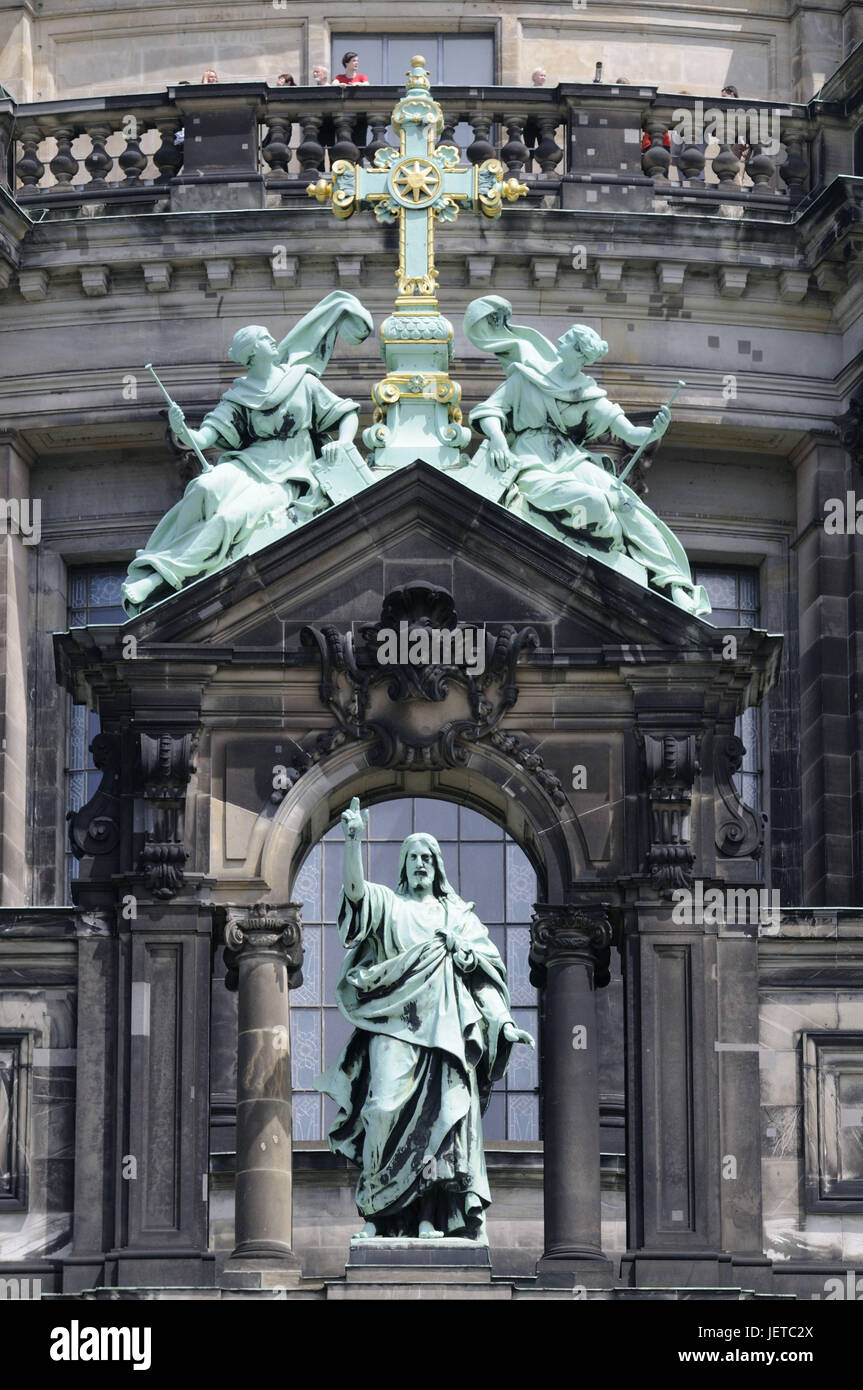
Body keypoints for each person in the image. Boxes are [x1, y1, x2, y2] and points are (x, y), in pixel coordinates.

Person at [316, 798, 534, 1241]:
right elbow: (356, 896)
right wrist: (353, 840)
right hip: (392, 1026)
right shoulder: (389, 905)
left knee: (440, 1122)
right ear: (404, 865)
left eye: (426, 858)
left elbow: (484, 980)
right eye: (412, 857)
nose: (420, 864)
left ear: (437, 867)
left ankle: (428, 1217)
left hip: (447, 1034)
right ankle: (378, 1214)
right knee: (381, 1110)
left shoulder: (458, 917)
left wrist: (502, 1022)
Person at [122, 292, 373, 616]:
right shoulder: (238, 398)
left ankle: (160, 577)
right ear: (253, 353)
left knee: (230, 518)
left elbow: (344, 414)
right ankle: (172, 561)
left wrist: (344, 442)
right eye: (267, 339)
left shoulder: (302, 382)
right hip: (251, 464)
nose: (274, 341)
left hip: (292, 475)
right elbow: (204, 437)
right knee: (202, 488)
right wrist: (182, 429)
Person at [463, 296, 710, 617]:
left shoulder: (590, 398)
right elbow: (492, 410)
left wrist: (655, 430)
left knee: (626, 503)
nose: (557, 341)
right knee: (592, 500)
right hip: (530, 463)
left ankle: (675, 583)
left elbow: (631, 434)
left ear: (577, 354)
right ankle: (604, 543)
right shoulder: (528, 376)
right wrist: (497, 438)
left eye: (565, 340)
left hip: (571, 461)